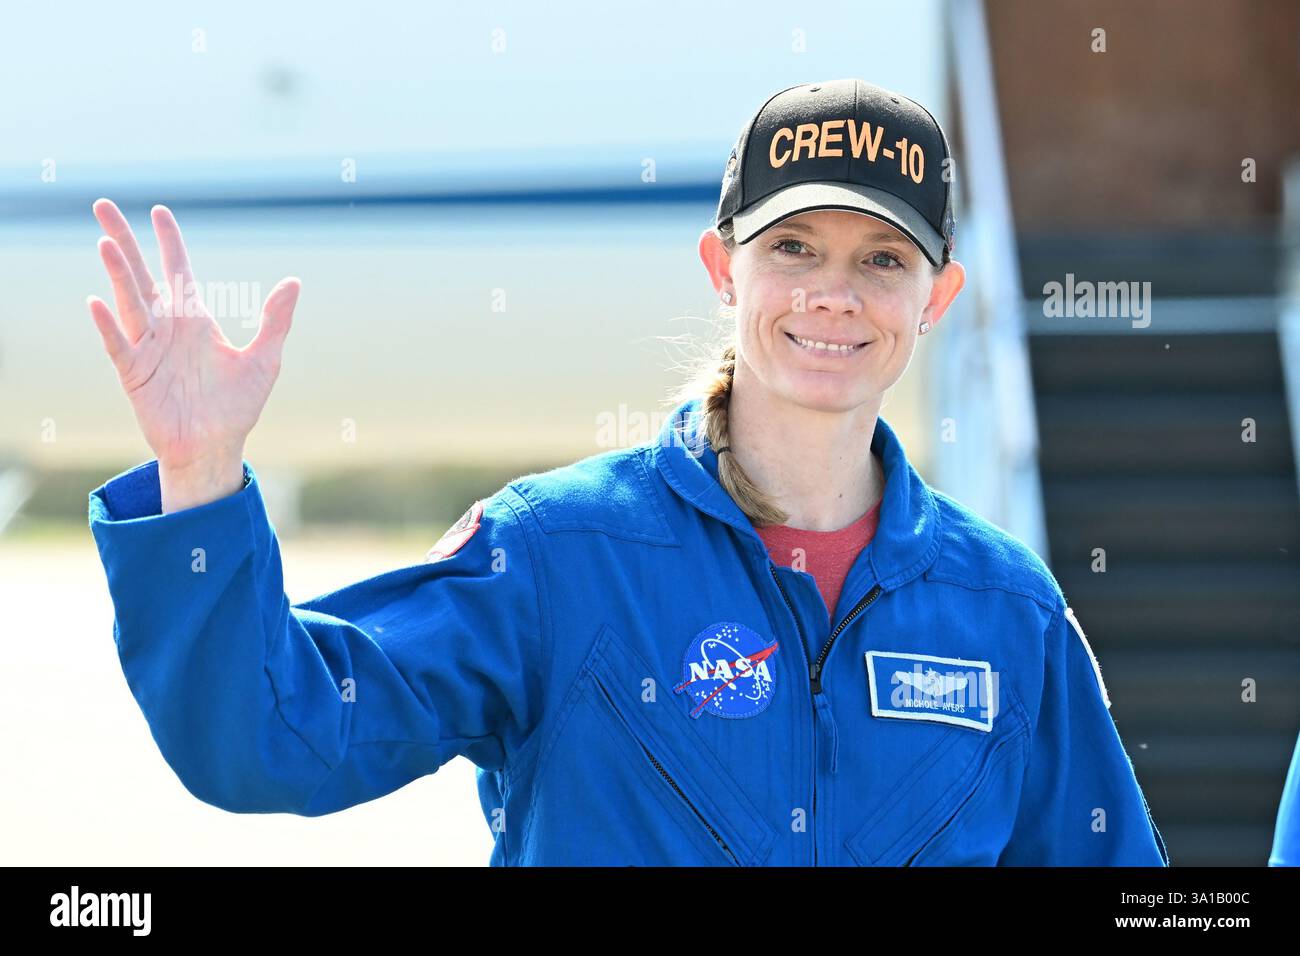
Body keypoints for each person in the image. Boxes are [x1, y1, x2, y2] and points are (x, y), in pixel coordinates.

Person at [85, 78, 1169, 866]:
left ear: (934, 299)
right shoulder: (557, 556)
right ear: (720, 267)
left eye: (881, 260)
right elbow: (271, 739)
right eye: (792, 249)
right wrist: (200, 479)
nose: (833, 295)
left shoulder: (1003, 609)